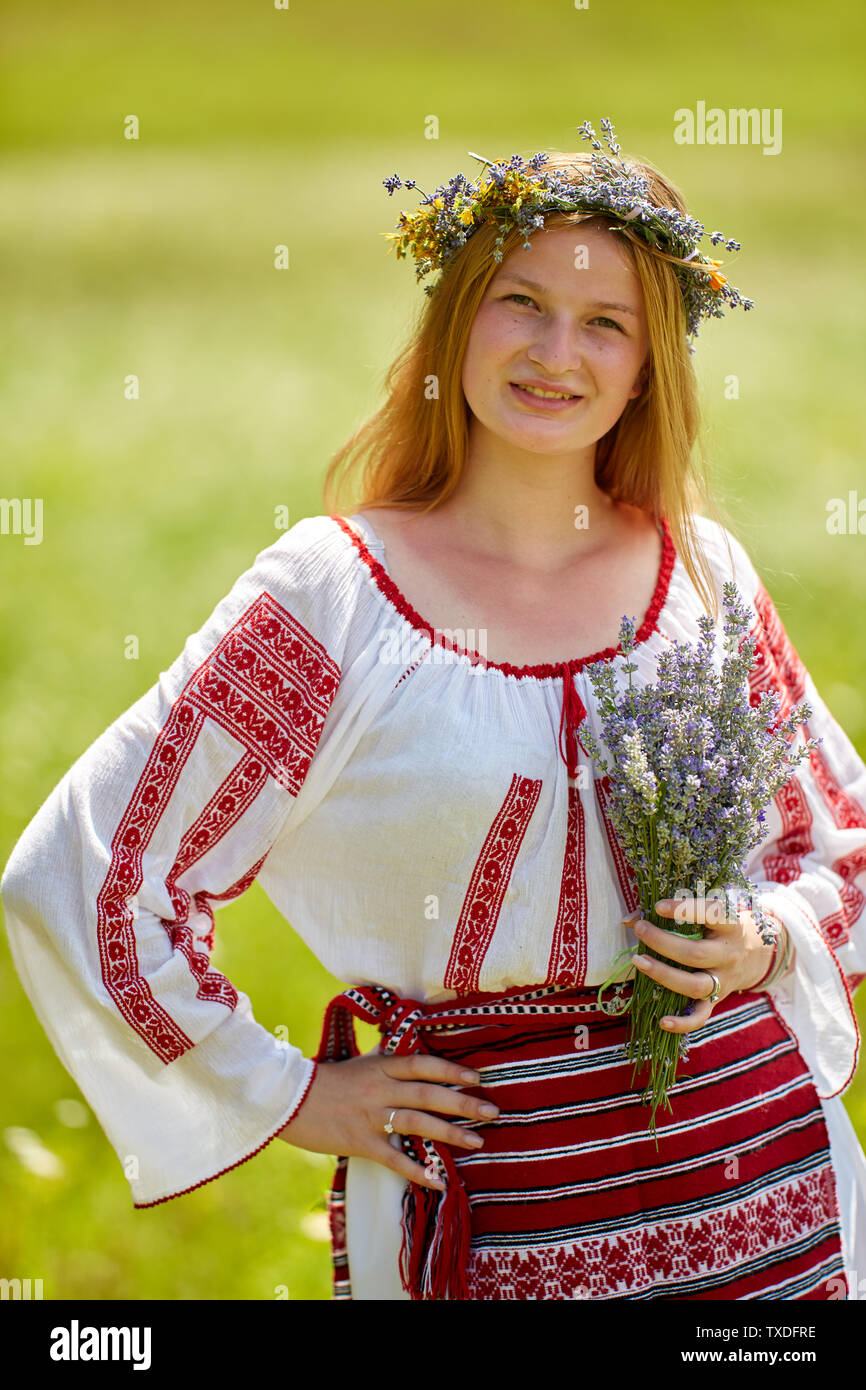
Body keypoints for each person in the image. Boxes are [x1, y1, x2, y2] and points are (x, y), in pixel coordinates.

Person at [3, 119, 866, 1302]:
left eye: (605, 321)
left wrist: (764, 938)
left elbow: (836, 843)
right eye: (520, 302)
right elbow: (88, 872)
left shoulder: (699, 574)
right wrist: (290, 1091)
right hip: (491, 1210)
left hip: (767, 1198)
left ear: (648, 361)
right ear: (456, 315)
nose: (556, 352)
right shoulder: (333, 597)